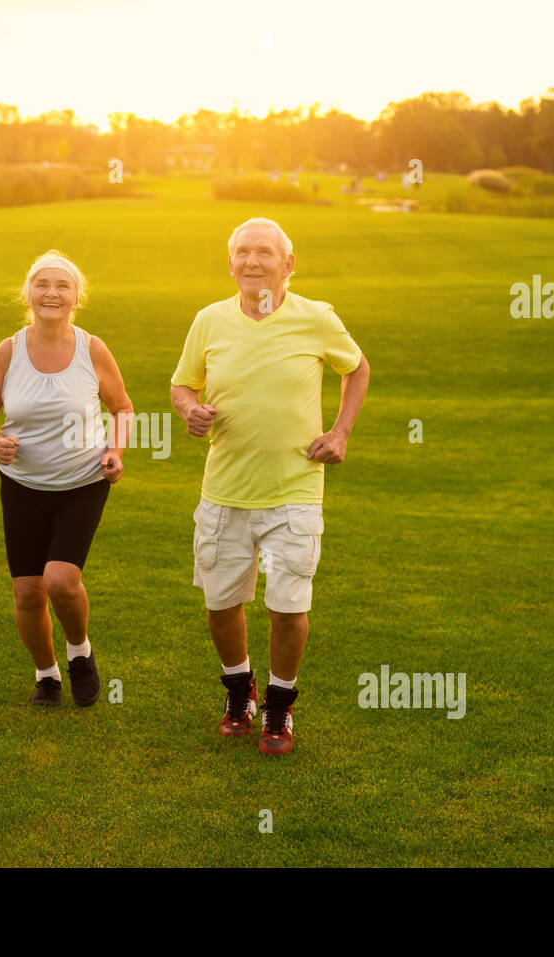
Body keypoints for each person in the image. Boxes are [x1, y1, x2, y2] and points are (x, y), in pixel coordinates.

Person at [169, 217, 370, 755]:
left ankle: (279, 708)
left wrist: (340, 432)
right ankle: (240, 691)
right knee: (221, 602)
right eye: (242, 252)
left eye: (264, 252)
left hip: (294, 491)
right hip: (224, 490)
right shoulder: (209, 320)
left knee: (287, 607)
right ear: (230, 261)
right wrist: (190, 409)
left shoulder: (317, 318)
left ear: (289, 263)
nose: (252, 261)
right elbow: (182, 384)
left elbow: (357, 367)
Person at [0, 250, 133, 707]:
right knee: (26, 592)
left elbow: (122, 408)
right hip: (22, 485)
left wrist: (115, 451)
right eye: (42, 284)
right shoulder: (10, 350)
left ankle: (80, 652)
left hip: (82, 481)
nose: (51, 293)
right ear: (28, 293)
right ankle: (47, 675)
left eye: (62, 286)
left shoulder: (92, 349)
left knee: (59, 580)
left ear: (76, 297)